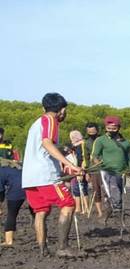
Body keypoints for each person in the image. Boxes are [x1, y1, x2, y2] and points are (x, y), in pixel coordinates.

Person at [20, 93, 83, 257]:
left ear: (43, 107)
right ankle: (63, 247)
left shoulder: (35, 124)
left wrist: (63, 170)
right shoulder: (50, 119)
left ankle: (42, 249)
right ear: (62, 110)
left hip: (29, 177)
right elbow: (47, 143)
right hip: (45, 175)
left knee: (41, 211)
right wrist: (70, 165)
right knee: (68, 204)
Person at [91, 115, 130, 221]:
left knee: (117, 192)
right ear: (105, 128)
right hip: (107, 171)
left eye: (114, 129)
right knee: (114, 190)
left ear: (119, 128)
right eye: (108, 128)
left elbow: (129, 160)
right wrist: (100, 165)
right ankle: (119, 215)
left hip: (120, 172)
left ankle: (108, 211)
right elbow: (94, 155)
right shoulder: (101, 140)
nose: (111, 131)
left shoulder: (125, 142)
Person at [1, 150, 31, 246]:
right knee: (37, 213)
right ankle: (43, 239)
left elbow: (0, 191)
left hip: (17, 187)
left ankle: (8, 241)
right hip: (31, 182)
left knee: (12, 214)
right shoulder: (10, 165)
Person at [81, 123, 104, 218]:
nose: (91, 133)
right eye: (89, 132)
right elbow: (86, 158)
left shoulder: (103, 139)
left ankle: (110, 208)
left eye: (93, 131)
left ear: (97, 130)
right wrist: (86, 172)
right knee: (96, 191)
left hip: (106, 168)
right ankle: (100, 212)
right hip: (93, 170)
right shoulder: (85, 142)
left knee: (107, 190)